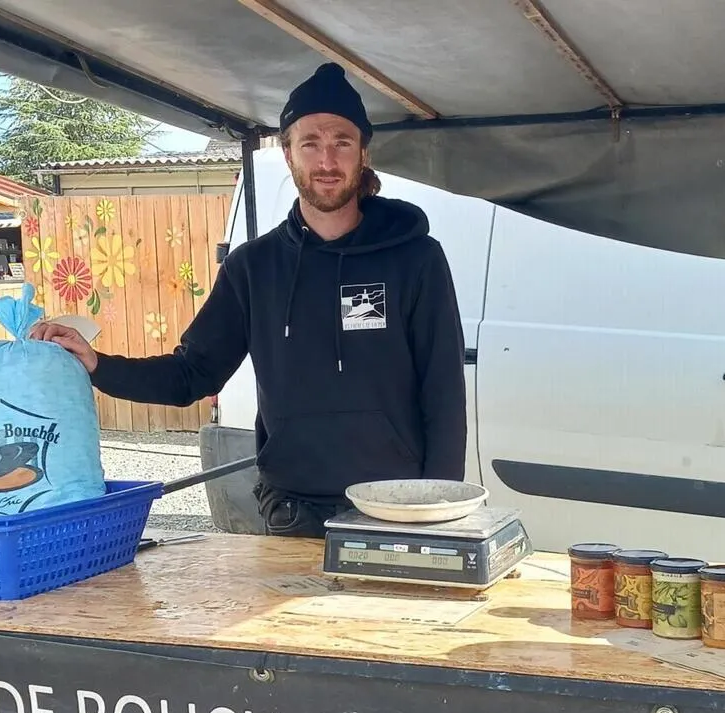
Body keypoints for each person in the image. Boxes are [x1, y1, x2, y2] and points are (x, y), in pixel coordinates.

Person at [30, 62, 466, 538]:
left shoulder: (415, 258)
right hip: (293, 511)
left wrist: (436, 505)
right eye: (310, 143)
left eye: (342, 142)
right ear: (288, 153)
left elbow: (443, 391)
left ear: (363, 152)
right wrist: (98, 364)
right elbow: (191, 374)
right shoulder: (253, 268)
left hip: (395, 508)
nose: (326, 161)